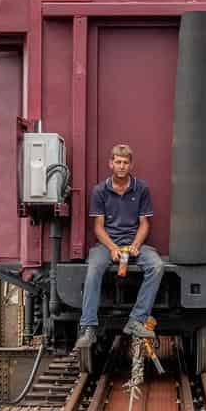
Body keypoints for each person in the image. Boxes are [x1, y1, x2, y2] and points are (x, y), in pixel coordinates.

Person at [75, 144, 164, 350]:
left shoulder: (141, 188)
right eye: (118, 162)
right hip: (107, 244)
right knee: (94, 268)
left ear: (131, 165)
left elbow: (144, 223)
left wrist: (135, 245)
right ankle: (88, 327)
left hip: (134, 243)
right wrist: (113, 248)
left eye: (125, 162)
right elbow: (98, 227)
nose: (121, 166)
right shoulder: (100, 191)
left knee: (157, 266)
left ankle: (136, 320)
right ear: (111, 163)